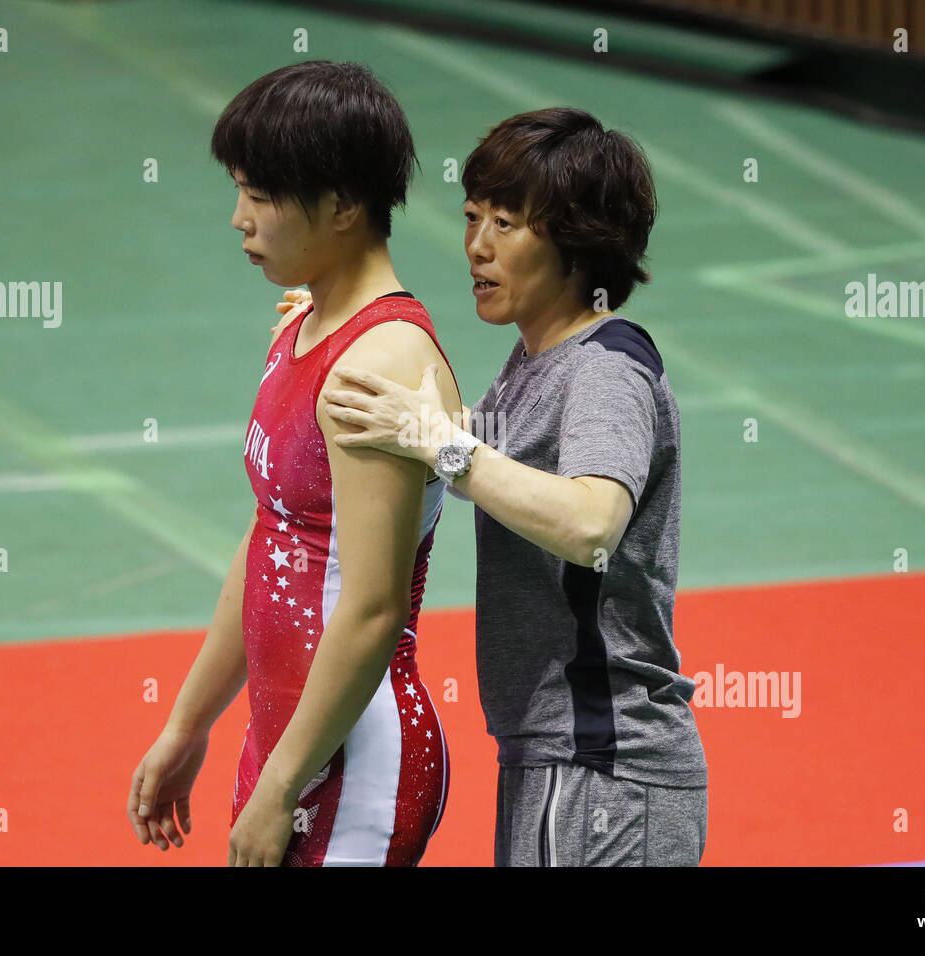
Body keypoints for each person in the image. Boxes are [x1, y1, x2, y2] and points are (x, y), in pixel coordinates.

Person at [279, 107, 708, 866]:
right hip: (554, 756)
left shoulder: (607, 368)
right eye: (473, 216)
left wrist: (441, 442)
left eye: (506, 223)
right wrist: (333, 333)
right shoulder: (531, 365)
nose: (477, 244)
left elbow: (591, 523)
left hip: (606, 765)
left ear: (576, 241)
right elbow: (443, 438)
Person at [126, 60, 463, 867]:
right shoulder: (303, 323)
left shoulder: (381, 363)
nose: (239, 219)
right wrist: (189, 724)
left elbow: (374, 609)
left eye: (262, 195)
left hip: (356, 760)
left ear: (344, 205)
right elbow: (273, 544)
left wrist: (282, 788)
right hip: (287, 745)